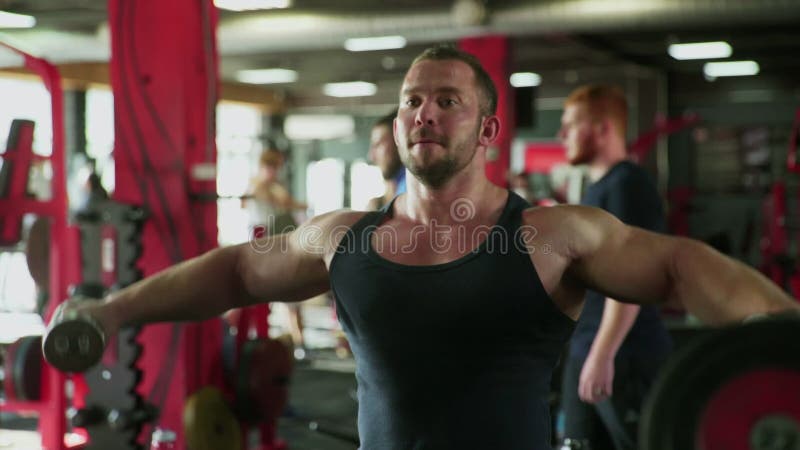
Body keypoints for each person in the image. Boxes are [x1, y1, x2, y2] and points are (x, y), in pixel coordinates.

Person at [50, 45, 798, 450]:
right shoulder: (344, 237)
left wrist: (785, 342)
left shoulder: (549, 235)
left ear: (487, 131)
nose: (424, 113)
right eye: (412, 99)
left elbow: (677, 264)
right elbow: (239, 270)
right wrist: (112, 311)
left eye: (448, 100)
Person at [557, 84, 674, 450]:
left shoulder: (627, 186)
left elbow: (631, 276)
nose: (563, 135)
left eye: (572, 124)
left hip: (623, 356)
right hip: (588, 348)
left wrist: (603, 354)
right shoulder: (598, 189)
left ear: (603, 128)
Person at [241, 147, 308, 355]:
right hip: (263, 240)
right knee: (263, 294)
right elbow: (283, 203)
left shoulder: (268, 186)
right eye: (274, 167)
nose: (276, 172)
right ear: (266, 166)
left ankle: (295, 341)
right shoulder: (259, 186)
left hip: (273, 239)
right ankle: (263, 338)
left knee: (289, 293)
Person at [366, 108, 406, 210]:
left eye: (378, 144)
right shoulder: (399, 188)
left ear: (399, 140)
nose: (372, 156)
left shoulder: (413, 188)